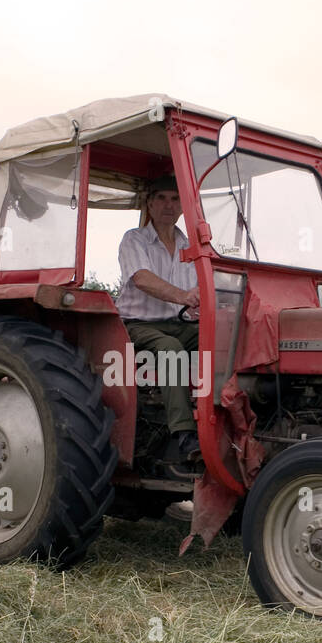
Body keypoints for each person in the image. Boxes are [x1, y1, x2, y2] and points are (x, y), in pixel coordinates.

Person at [117, 175, 202, 463]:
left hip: (179, 323)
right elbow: (142, 279)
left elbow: (199, 288)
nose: (169, 205)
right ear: (150, 204)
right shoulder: (134, 239)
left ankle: (220, 416)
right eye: (162, 198)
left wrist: (202, 299)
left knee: (222, 341)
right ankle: (184, 434)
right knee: (170, 350)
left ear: (183, 206)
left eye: (175, 199)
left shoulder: (188, 246)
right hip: (138, 325)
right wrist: (184, 296)